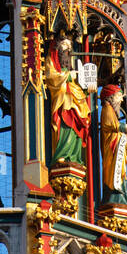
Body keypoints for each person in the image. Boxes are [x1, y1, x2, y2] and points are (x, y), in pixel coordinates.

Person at [45, 34, 91, 166]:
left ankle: (75, 156)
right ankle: (62, 154)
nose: (68, 48)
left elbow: (81, 87)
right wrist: (68, 76)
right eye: (65, 45)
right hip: (63, 98)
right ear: (57, 46)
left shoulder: (72, 65)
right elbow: (51, 77)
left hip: (75, 97)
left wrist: (87, 88)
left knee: (77, 125)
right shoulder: (51, 59)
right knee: (66, 124)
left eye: (70, 46)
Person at [99, 84, 127, 205]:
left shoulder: (111, 110)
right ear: (111, 97)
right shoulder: (107, 108)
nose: (121, 99)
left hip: (115, 147)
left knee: (120, 171)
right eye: (119, 96)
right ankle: (114, 195)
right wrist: (125, 127)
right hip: (111, 149)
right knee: (113, 172)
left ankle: (120, 195)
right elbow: (110, 125)